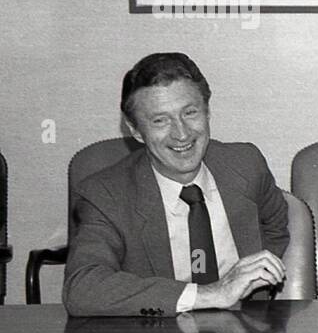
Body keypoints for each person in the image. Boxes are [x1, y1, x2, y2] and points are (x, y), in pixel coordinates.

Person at [63, 53, 290, 317]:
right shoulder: (104, 195)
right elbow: (82, 288)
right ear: (135, 131)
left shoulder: (247, 164)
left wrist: (252, 289)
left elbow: (275, 227)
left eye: (190, 113)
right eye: (160, 120)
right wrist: (212, 293)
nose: (181, 133)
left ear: (207, 112)